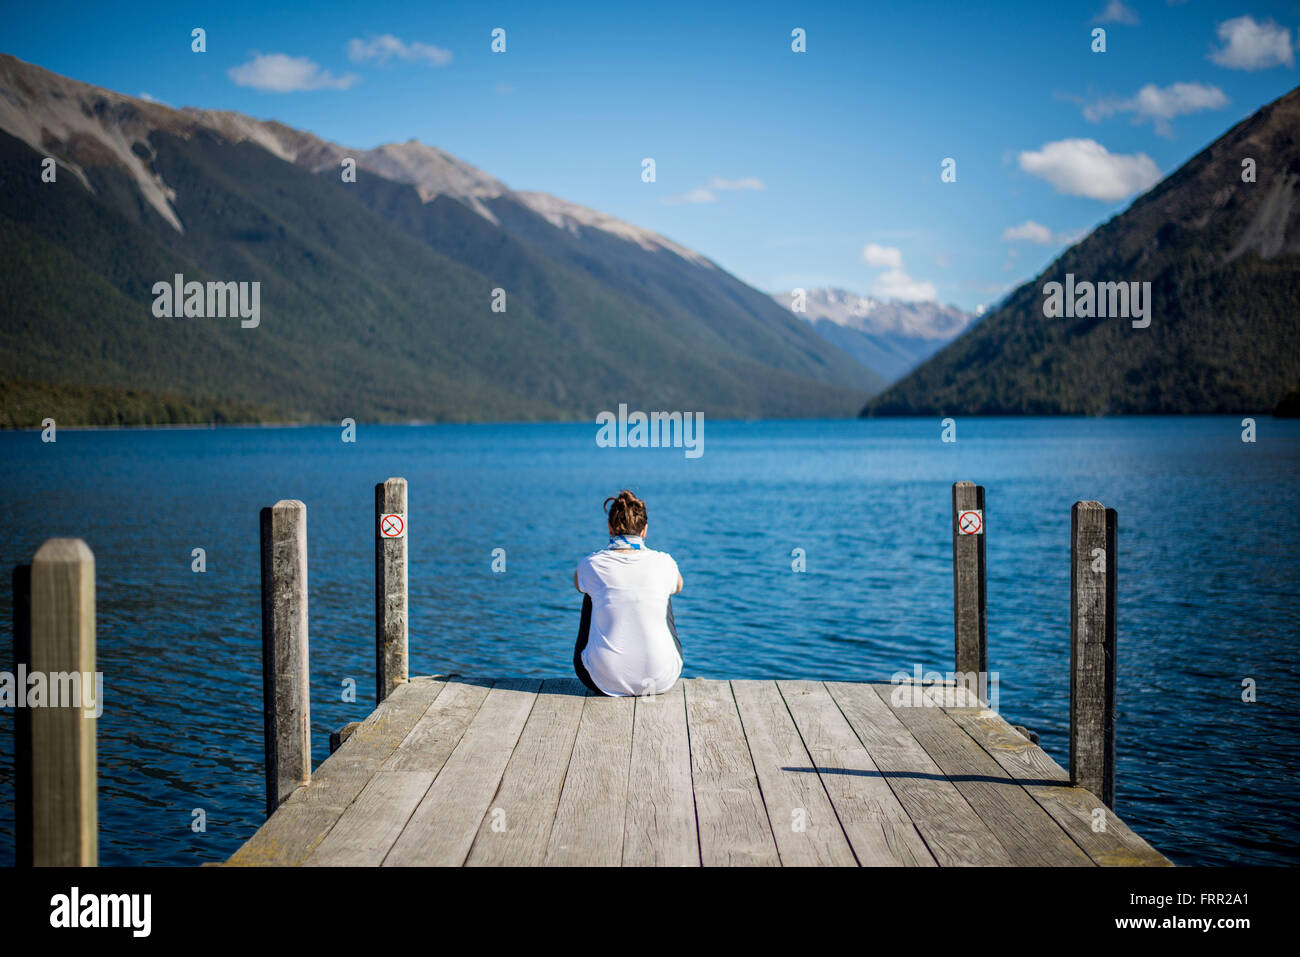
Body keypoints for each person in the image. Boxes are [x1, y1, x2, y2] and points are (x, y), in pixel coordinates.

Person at [572, 490, 683, 696]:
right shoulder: (665, 562)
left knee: (590, 592)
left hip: (602, 679)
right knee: (663, 590)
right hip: (661, 678)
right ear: (645, 530)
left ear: (609, 528)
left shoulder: (592, 564)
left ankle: (607, 662)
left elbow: (578, 584)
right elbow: (679, 586)